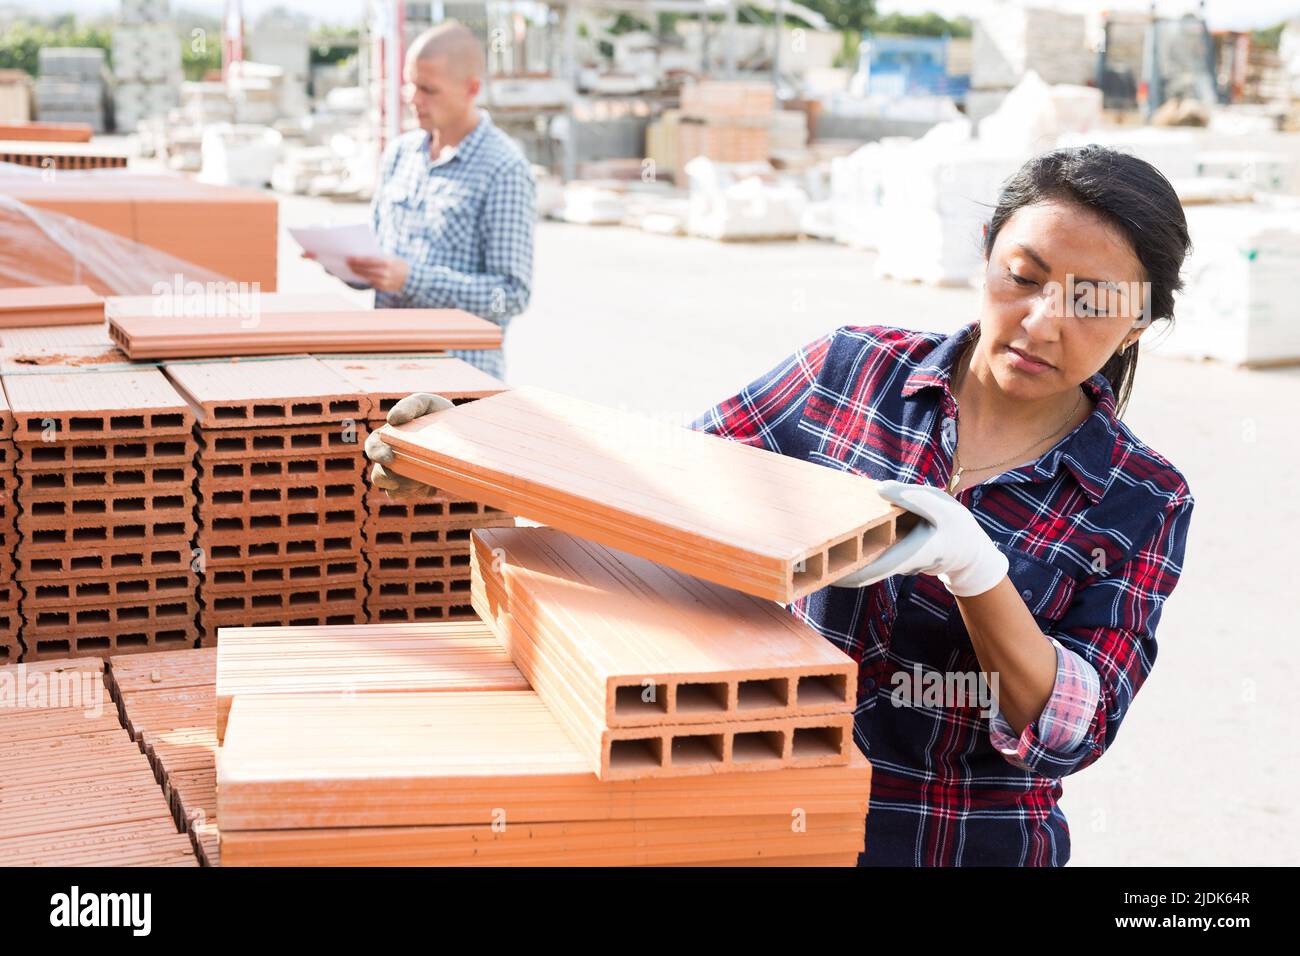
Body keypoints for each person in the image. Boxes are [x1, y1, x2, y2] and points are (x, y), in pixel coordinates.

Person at [364, 145, 1196, 866]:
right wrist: (478, 455)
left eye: (1092, 303)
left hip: (955, 843)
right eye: (1024, 278)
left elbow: (1070, 730)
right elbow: (663, 487)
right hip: (773, 826)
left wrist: (977, 571)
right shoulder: (852, 372)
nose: (1044, 323)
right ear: (985, 255)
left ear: (1135, 326)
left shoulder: (1141, 497)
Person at [345, 22, 535, 380]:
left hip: (458, 383)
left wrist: (411, 279)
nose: (413, 99)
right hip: (385, 370)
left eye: (428, 90)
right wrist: (349, 264)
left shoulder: (503, 169)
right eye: (410, 85)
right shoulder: (401, 154)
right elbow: (382, 255)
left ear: (471, 89)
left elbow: (511, 294)